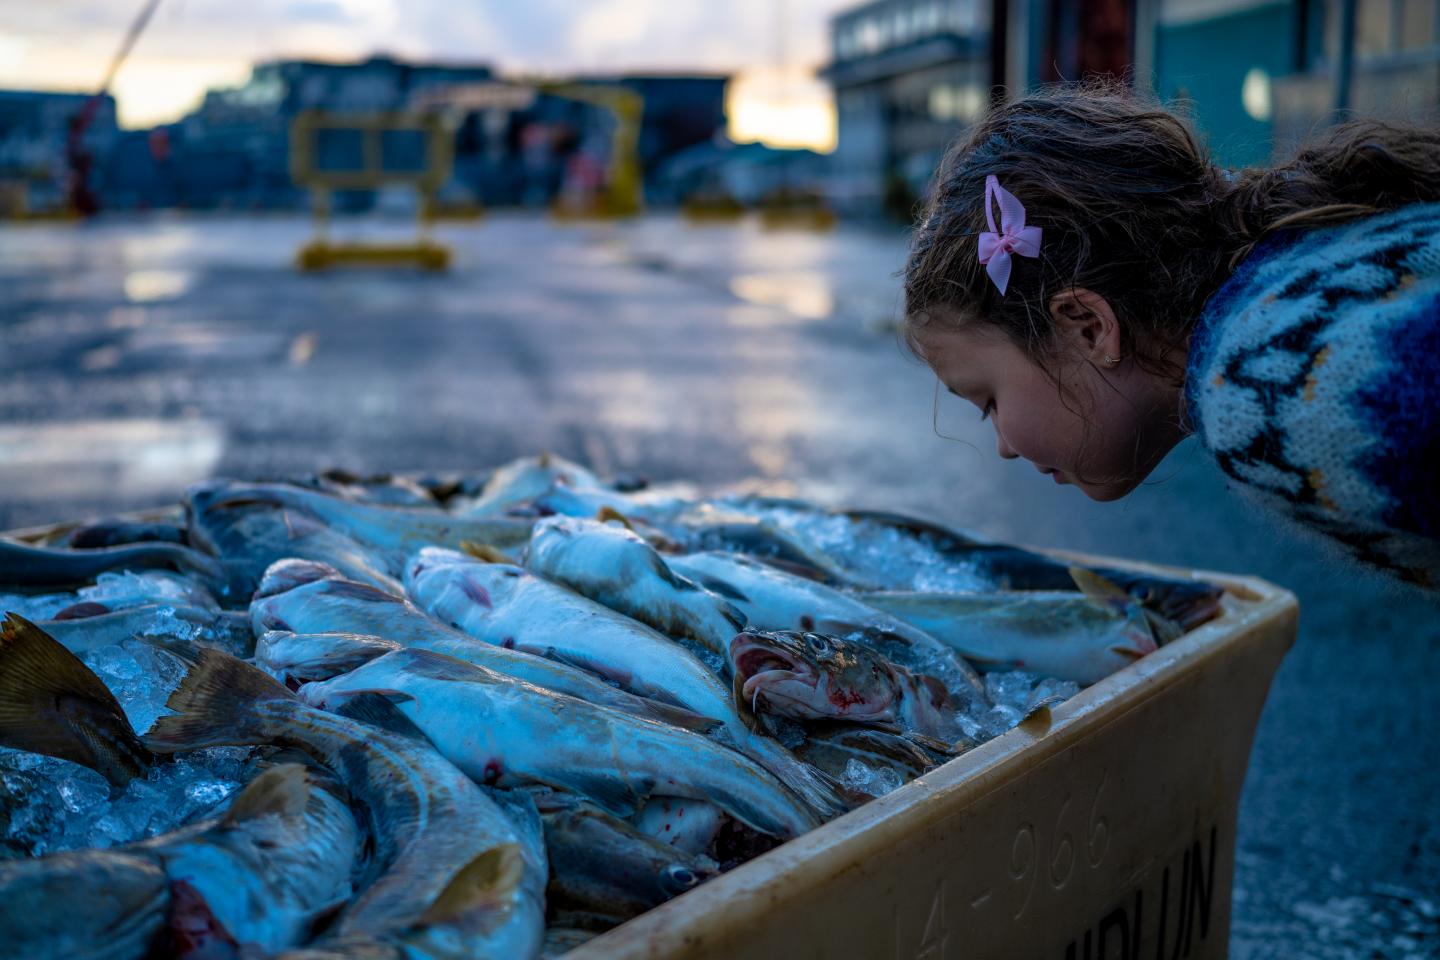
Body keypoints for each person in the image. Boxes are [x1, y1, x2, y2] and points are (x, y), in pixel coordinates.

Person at [903, 80, 1440, 587]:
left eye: (988, 401)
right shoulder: (1292, 276)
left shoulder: (1273, 385)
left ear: (1088, 327)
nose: (1003, 447)